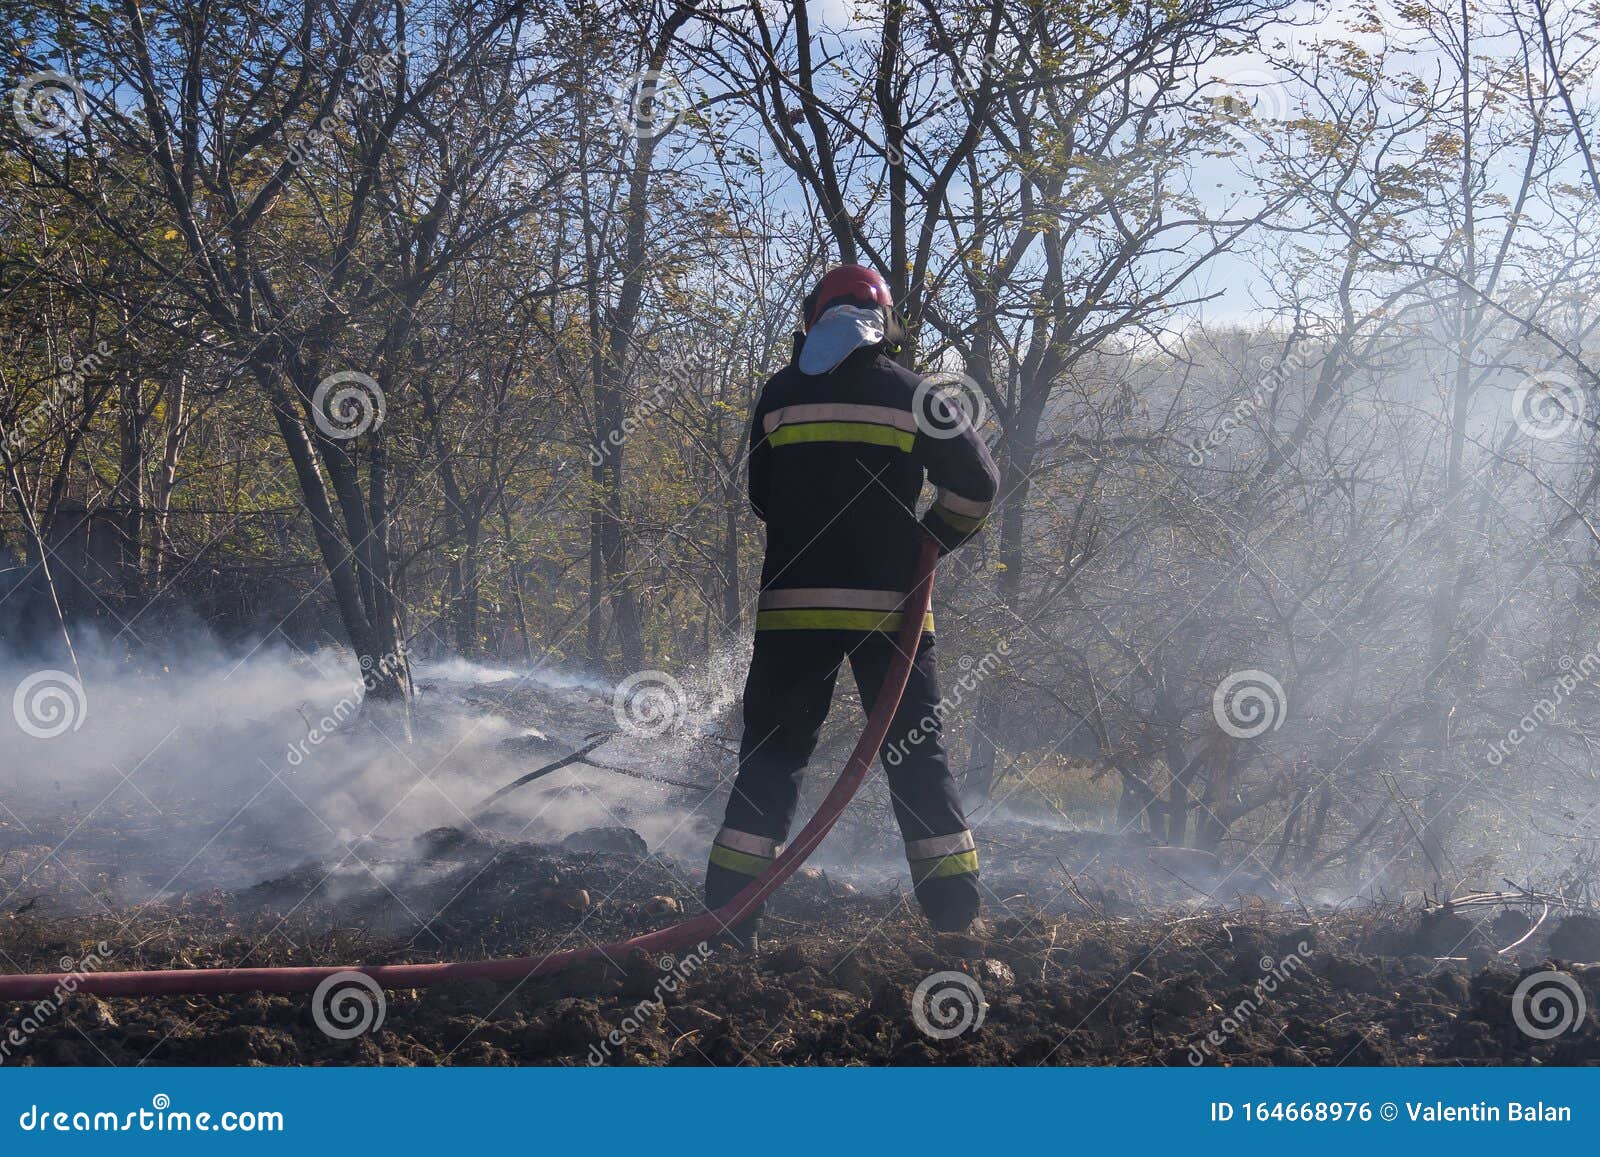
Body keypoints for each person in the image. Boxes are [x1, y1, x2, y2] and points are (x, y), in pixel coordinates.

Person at [705, 264, 1000, 943]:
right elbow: (978, 485)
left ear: (815, 318)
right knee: (916, 759)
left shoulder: (779, 395)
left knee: (771, 762)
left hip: (792, 615)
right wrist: (929, 539)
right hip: (890, 615)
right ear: (882, 323)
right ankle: (955, 920)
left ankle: (727, 920)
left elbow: (759, 498)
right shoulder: (912, 393)